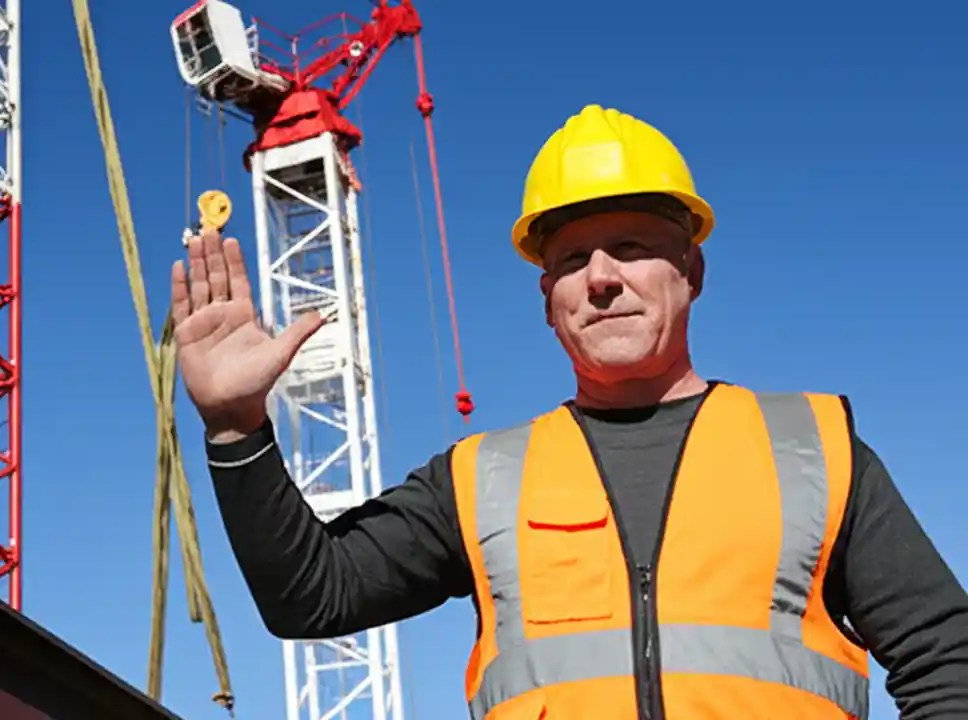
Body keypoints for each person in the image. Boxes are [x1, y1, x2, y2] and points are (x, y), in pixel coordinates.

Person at [169, 104, 968, 718]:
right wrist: (238, 428)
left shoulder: (813, 449)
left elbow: (945, 657)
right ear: (546, 302)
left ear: (692, 273)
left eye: (632, 247)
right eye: (572, 261)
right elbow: (314, 597)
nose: (602, 278)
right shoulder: (480, 480)